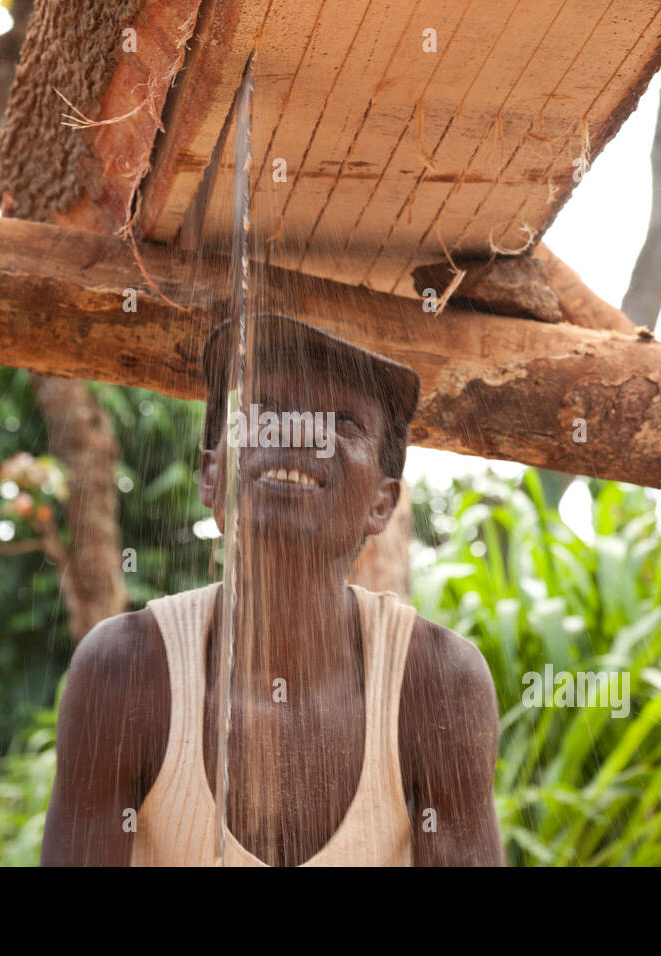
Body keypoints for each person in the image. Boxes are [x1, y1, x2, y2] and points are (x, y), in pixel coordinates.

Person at [41, 314, 502, 866]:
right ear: (211, 477)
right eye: (264, 413)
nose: (296, 433)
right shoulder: (127, 672)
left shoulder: (437, 685)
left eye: (342, 420)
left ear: (382, 503)